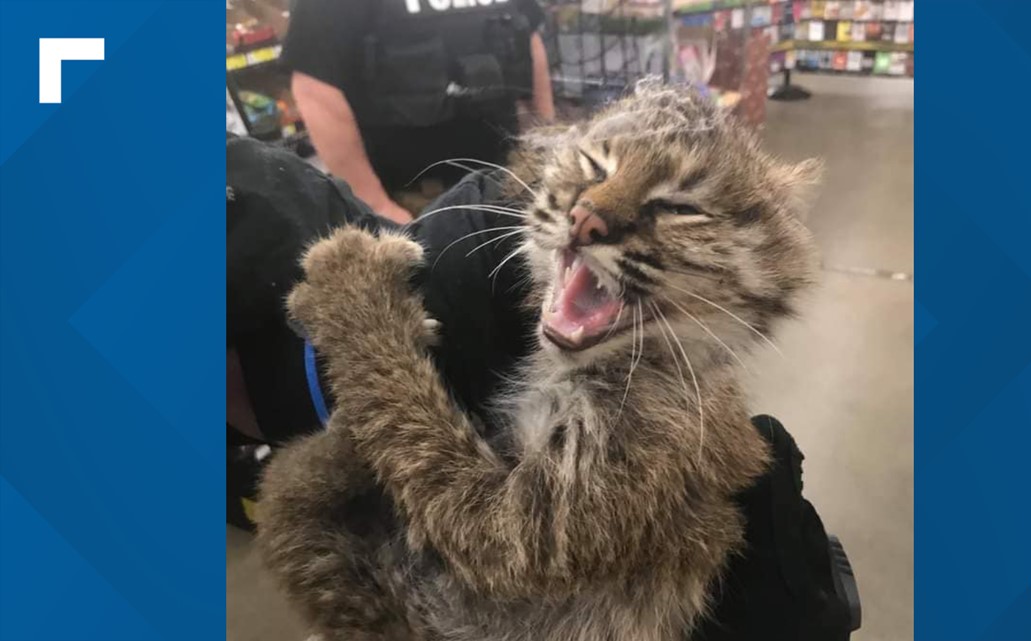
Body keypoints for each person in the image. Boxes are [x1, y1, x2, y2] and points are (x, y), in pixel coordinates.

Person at [226, 136, 860, 640]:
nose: (592, 215)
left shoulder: (674, 410)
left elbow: (500, 547)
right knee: (295, 496)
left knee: (294, 504)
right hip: (464, 581)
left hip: (460, 612)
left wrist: (367, 336)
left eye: (679, 208)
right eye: (593, 168)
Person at [281, 0, 555, 224]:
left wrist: (547, 147)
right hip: (414, 201)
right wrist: (375, 204)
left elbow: (528, 40)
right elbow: (315, 88)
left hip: (508, 178)